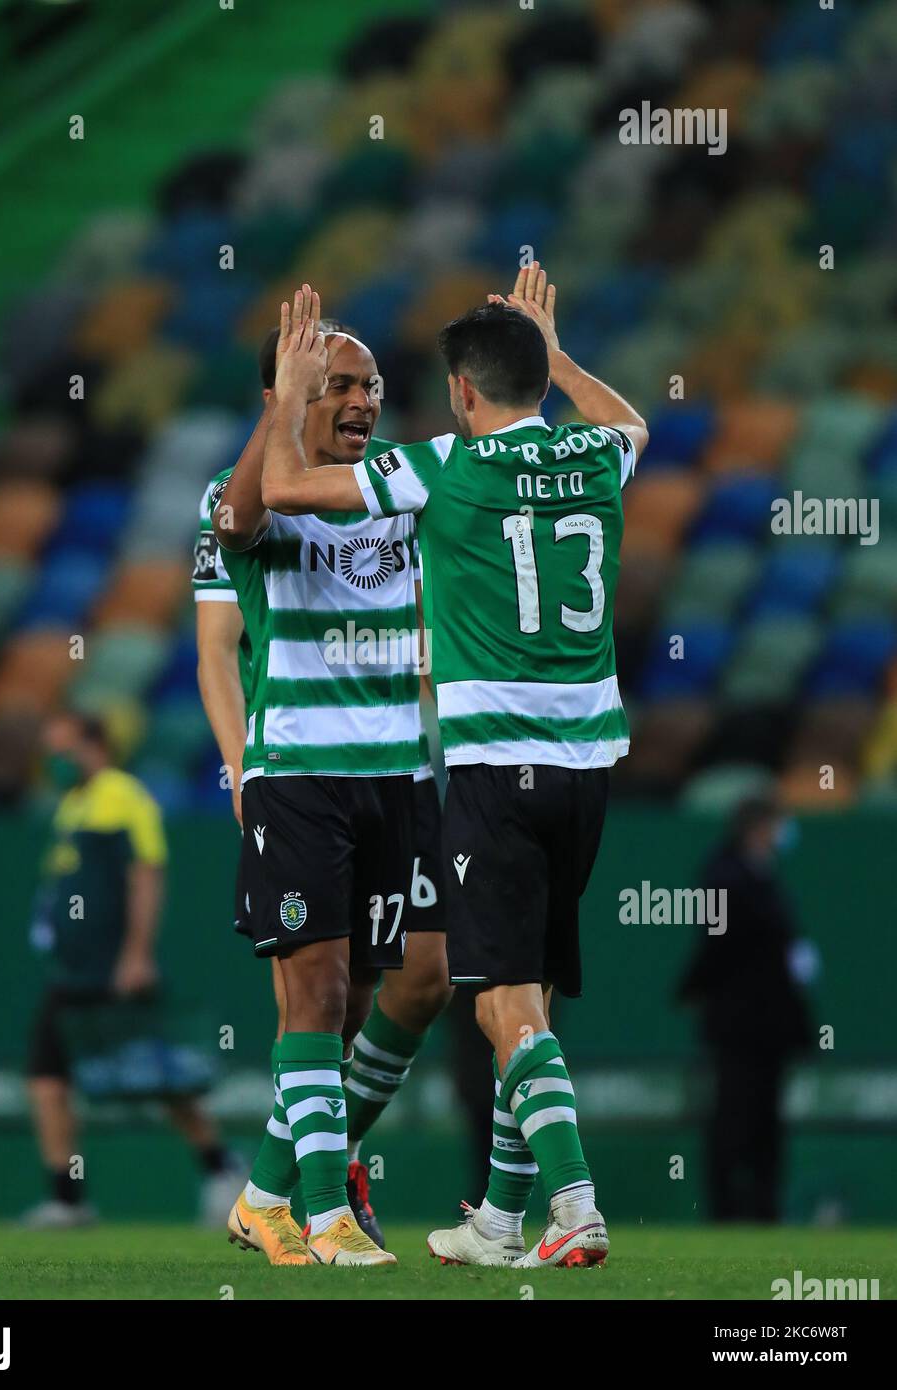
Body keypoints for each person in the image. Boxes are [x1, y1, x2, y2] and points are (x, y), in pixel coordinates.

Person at [261, 263, 648, 1269]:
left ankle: (575, 1203)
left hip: (492, 770)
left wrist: (294, 392)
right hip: (589, 769)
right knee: (530, 990)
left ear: (465, 393)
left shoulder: (443, 466)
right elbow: (636, 424)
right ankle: (500, 1219)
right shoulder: (596, 457)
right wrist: (556, 357)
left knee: (501, 1002)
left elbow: (283, 488)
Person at [210, 287, 451, 1267]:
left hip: (395, 775)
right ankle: (325, 1213)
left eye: (372, 385)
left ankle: (265, 1194)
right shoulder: (259, 494)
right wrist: (282, 402)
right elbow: (234, 525)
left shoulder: (399, 489)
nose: (360, 400)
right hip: (299, 770)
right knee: (312, 994)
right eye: (338, 384)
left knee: (367, 998)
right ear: (296, 391)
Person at [21, 710, 244, 1229]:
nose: (53, 759)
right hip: (70, 972)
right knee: (47, 1078)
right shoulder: (73, 803)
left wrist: (137, 955)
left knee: (162, 1080)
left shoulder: (122, 794)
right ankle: (68, 1197)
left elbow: (146, 873)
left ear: (93, 744)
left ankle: (222, 1170)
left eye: (62, 747)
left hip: (113, 968)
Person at [677, 794, 813, 1222]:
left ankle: (762, 1208)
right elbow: (719, 945)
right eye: (777, 822)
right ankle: (728, 1211)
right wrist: (693, 987)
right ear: (758, 826)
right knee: (735, 1116)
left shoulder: (759, 873)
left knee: (764, 1119)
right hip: (741, 1022)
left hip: (768, 1023)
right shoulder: (727, 875)